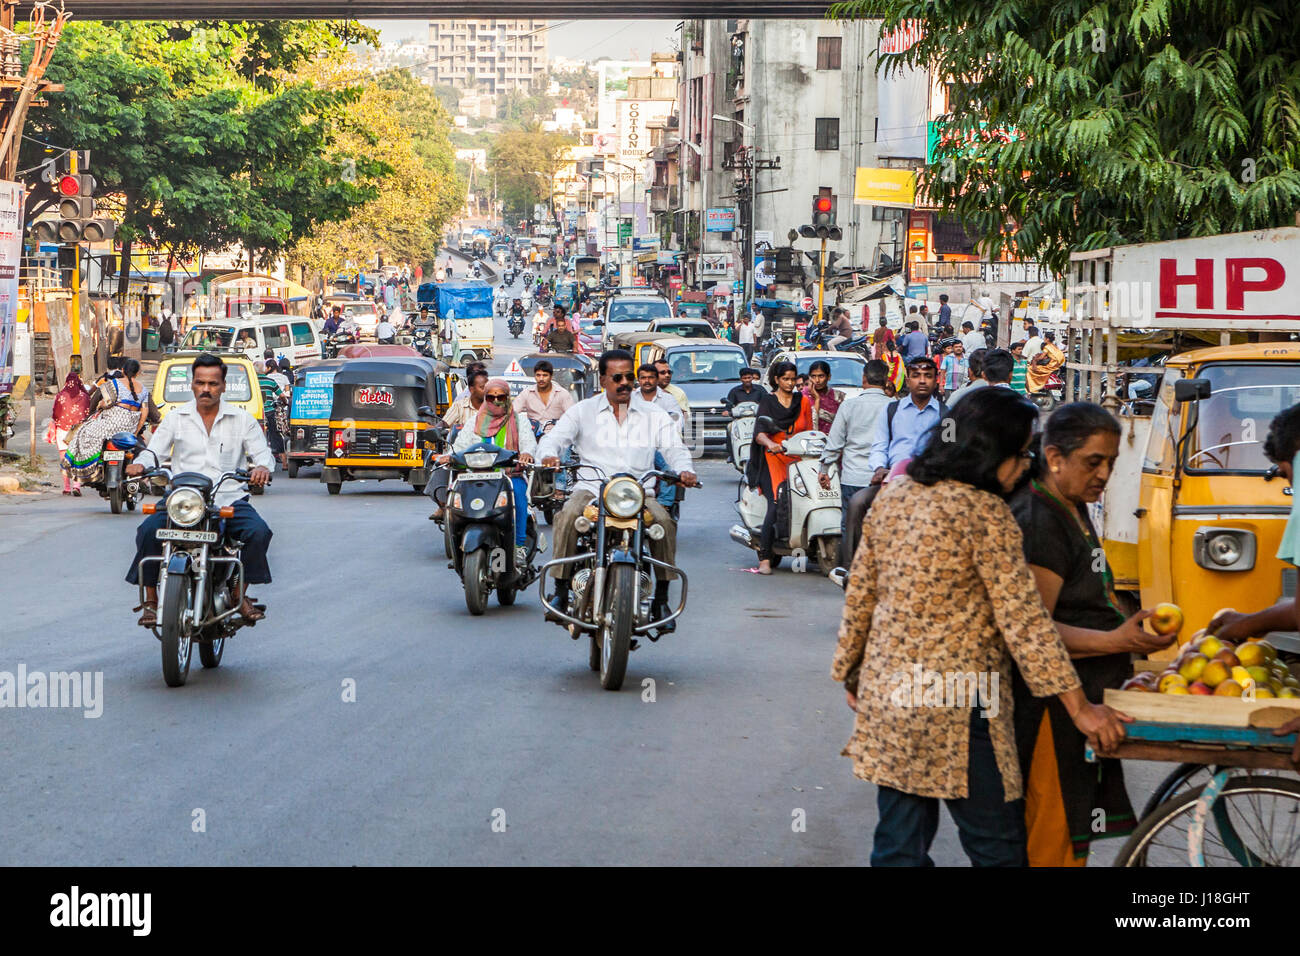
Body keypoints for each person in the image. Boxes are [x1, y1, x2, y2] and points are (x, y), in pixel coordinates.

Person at [831, 386, 1130, 866]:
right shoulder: (986, 514)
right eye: (1020, 454)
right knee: (999, 850)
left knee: (899, 847)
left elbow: (862, 593)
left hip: (894, 695)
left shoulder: (897, 494)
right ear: (992, 453)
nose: (1024, 467)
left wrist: (853, 673)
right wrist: (1080, 709)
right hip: (961, 702)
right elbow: (1026, 623)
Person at [1008, 402, 1171, 866]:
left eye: (1112, 463)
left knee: (1066, 843)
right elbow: (1033, 630)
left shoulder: (1070, 505)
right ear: (1055, 457)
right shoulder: (1039, 520)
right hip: (1049, 714)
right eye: (1093, 462)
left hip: (1076, 704)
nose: (1104, 474)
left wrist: (1128, 632)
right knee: (1050, 846)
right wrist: (1119, 641)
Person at [537, 349, 698, 627]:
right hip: (592, 489)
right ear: (603, 380)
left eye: (629, 377)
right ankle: (560, 593)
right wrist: (548, 456)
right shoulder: (583, 410)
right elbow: (554, 439)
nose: (625, 383)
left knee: (663, 522)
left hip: (638, 493)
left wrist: (685, 470)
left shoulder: (654, 414)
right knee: (567, 516)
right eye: (617, 377)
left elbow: (674, 448)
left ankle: (661, 600)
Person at [125, 353, 274, 626]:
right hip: (183, 501)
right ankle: (150, 599)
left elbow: (263, 455)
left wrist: (261, 468)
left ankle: (239, 594)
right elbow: (153, 452)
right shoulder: (175, 418)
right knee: (147, 532)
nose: (206, 389)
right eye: (200, 383)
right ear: (192, 385)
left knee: (258, 532)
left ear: (224, 386)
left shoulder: (242, 420)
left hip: (228, 498)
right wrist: (139, 464)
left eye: (213, 383)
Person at [452, 378, 537, 567]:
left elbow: (528, 442)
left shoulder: (519, 420)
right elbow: (459, 446)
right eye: (491, 397)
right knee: (454, 500)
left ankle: (519, 547)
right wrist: (448, 456)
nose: (496, 401)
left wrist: (527, 454)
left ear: (508, 398)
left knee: (518, 496)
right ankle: (458, 542)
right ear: (485, 399)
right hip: (475, 479)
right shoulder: (475, 421)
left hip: (508, 477)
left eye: (501, 397)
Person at [820, 359, 893, 564]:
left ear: (864, 379)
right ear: (886, 380)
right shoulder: (895, 407)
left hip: (853, 477)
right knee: (882, 525)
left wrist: (824, 468)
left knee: (850, 526)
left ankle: (850, 570)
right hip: (884, 480)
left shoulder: (849, 406)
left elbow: (835, 442)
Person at [745, 360, 813, 575]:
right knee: (776, 504)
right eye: (785, 379)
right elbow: (760, 432)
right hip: (773, 458)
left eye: (793, 379)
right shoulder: (768, 401)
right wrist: (771, 444)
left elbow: (810, 431)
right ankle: (765, 558)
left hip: (798, 458)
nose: (790, 383)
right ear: (776, 379)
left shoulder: (802, 402)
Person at [63, 359, 150, 483]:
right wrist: (136, 432)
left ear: (123, 370)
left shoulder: (113, 383)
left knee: (82, 432)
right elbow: (145, 412)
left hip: (110, 425)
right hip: (130, 428)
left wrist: (100, 406)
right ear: (137, 373)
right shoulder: (143, 389)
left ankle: (86, 470)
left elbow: (106, 403)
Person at [867, 356, 946, 484]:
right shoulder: (890, 410)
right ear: (908, 381)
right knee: (858, 502)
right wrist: (879, 468)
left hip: (932, 481)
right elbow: (879, 446)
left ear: (935, 380)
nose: (922, 381)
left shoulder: (947, 414)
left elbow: (951, 450)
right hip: (894, 478)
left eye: (928, 376)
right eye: (916, 376)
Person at [50, 371, 92, 495]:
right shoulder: (84, 396)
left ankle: (66, 487)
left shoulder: (60, 396)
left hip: (62, 432)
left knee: (64, 460)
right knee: (77, 459)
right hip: (78, 432)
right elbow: (88, 414)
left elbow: (55, 414)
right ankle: (77, 486)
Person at [515, 359, 575, 432]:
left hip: (556, 436)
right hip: (532, 436)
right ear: (535, 376)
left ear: (551, 376)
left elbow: (572, 417)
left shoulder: (562, 394)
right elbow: (513, 412)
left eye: (545, 375)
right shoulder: (527, 393)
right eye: (538, 375)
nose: (541, 379)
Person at [633, 362, 685, 433]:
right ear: (638, 380)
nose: (647, 381)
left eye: (651, 377)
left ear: (657, 379)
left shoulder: (668, 398)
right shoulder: (630, 398)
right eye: (643, 378)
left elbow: (678, 422)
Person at [803, 359, 844, 434]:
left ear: (829, 377)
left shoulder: (837, 396)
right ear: (809, 378)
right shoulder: (803, 396)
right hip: (809, 438)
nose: (817, 380)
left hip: (832, 439)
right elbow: (809, 423)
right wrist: (817, 399)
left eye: (821, 376)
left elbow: (842, 423)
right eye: (813, 376)